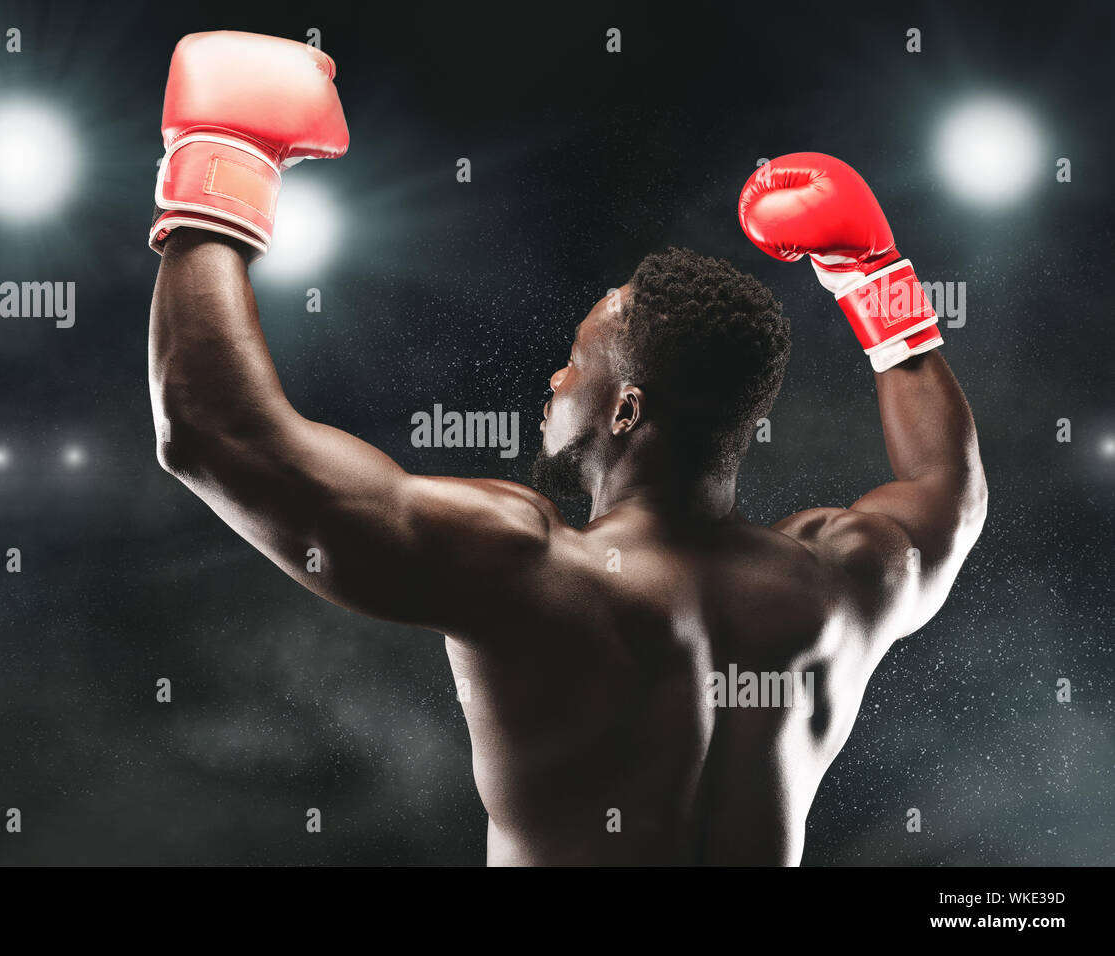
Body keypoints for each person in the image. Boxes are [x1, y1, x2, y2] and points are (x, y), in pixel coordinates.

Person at [147, 32, 987, 865]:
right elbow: (948, 491)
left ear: (626, 409)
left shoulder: (527, 568)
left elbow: (212, 431)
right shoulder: (843, 578)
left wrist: (222, 166)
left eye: (576, 360)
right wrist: (873, 279)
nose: (554, 376)